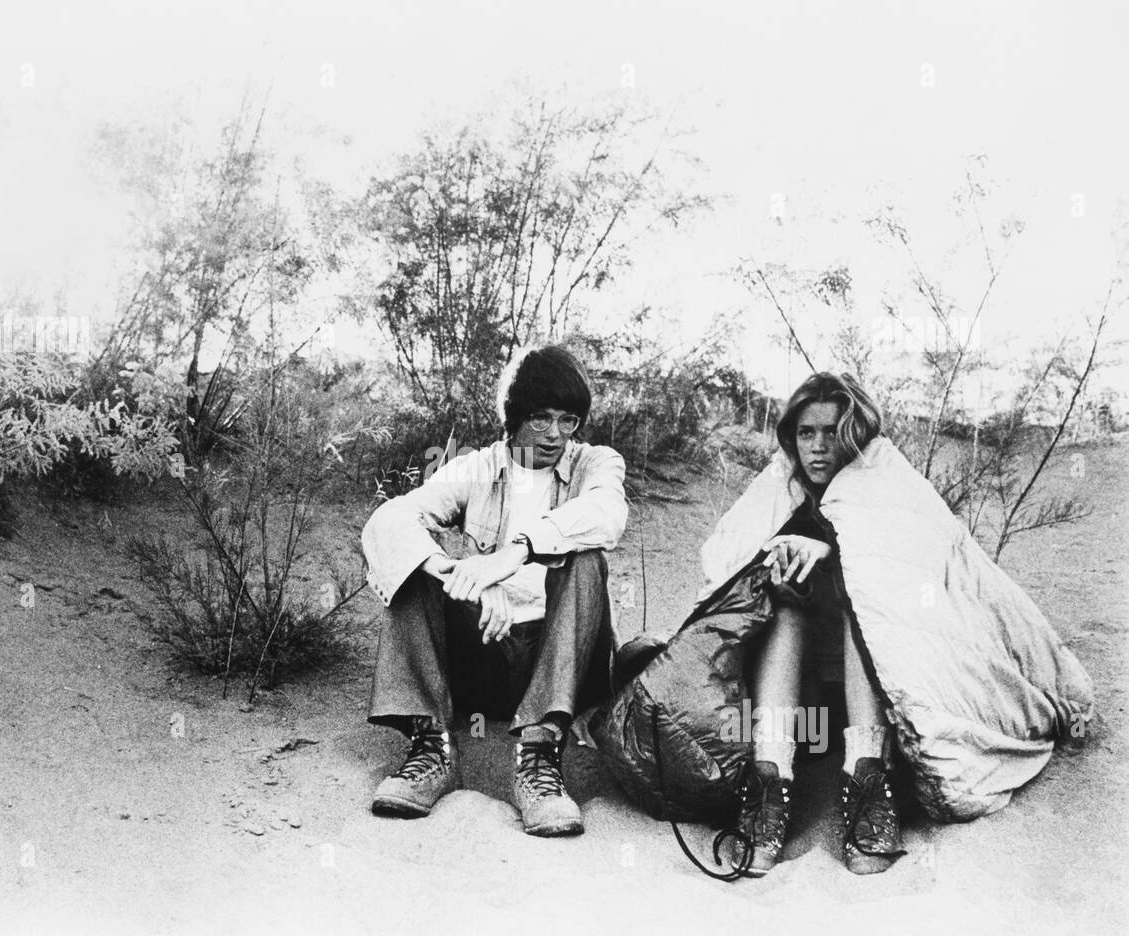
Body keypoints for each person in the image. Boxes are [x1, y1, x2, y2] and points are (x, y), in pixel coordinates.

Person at [697, 372, 1092, 876]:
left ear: (854, 436)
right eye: (805, 433)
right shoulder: (781, 484)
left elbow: (908, 576)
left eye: (831, 433)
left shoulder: (885, 477)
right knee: (786, 603)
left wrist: (831, 554)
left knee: (859, 598)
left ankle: (868, 777)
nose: (818, 448)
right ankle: (770, 779)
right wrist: (773, 565)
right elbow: (722, 565)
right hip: (808, 697)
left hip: (883, 685)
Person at [361, 346, 627, 837]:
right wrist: (459, 576)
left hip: (563, 662)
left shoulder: (596, 463)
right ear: (513, 416)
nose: (555, 435)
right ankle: (431, 747)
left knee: (587, 556)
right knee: (413, 562)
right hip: (487, 656)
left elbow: (607, 514)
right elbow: (390, 519)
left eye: (568, 420)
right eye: (540, 418)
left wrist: (515, 553)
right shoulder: (477, 468)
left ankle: (540, 758)